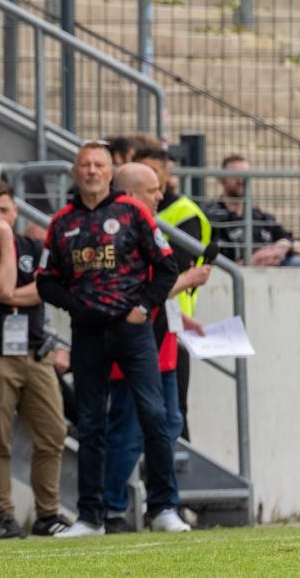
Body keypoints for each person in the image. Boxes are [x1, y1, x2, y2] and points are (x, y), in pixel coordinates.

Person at [36, 142, 188, 537]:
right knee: (90, 423)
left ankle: (163, 507)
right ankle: (91, 516)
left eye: (98, 165)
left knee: (154, 414)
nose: (91, 171)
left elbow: (166, 266)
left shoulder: (133, 211)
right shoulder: (61, 222)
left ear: (109, 171)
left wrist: (143, 307)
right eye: (84, 165)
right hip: (87, 333)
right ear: (75, 172)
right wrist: (75, 306)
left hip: (132, 329)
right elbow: (46, 281)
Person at [0, 180, 70, 539]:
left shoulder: (36, 246)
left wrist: (5, 295)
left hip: (36, 354)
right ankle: (4, 516)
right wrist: (5, 244)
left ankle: (47, 514)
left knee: (53, 433)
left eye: (4, 210)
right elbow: (6, 285)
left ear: (16, 210)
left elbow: (47, 288)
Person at [101, 163, 207, 533]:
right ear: (130, 195)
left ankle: (163, 506)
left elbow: (157, 289)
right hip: (132, 348)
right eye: (151, 190)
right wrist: (188, 279)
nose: (160, 196)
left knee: (166, 425)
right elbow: (137, 291)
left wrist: (182, 318)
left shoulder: (151, 228)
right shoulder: (116, 234)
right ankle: (111, 509)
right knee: (129, 429)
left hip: (163, 344)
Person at [133, 147, 212, 441]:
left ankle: (175, 474)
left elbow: (175, 270)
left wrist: (188, 280)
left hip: (171, 321)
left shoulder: (183, 214)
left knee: (173, 408)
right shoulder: (127, 219)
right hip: (140, 320)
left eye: (155, 171)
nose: (151, 179)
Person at [208, 154, 300, 266]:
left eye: (246, 175)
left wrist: (283, 246)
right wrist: (253, 261)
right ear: (222, 179)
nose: (241, 180)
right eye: (235, 175)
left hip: (271, 277)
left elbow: (293, 241)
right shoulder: (212, 218)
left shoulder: (260, 217)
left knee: (296, 261)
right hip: (231, 278)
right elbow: (210, 263)